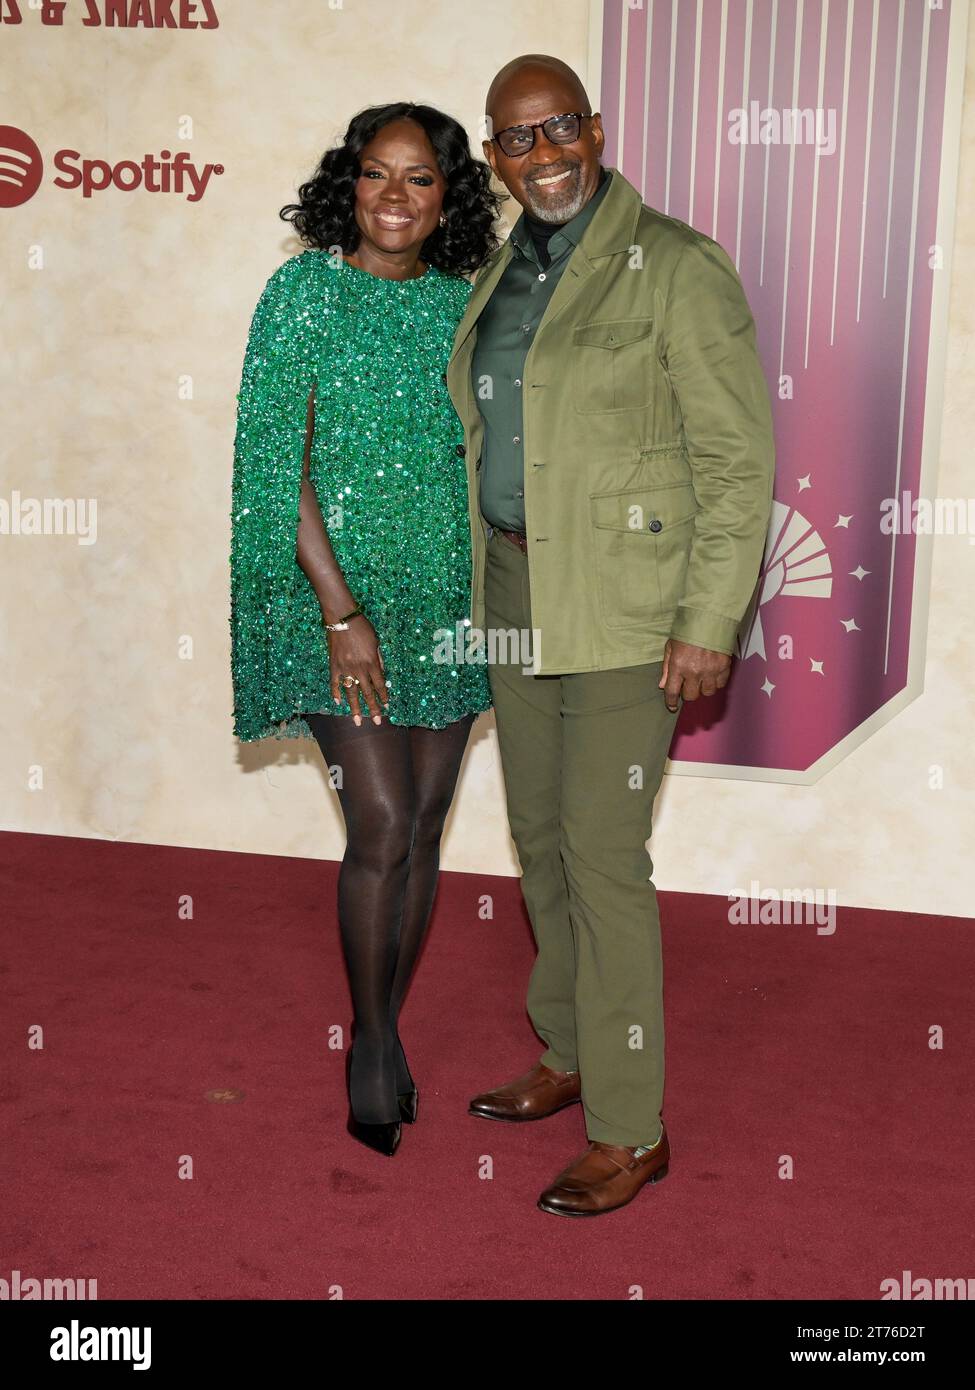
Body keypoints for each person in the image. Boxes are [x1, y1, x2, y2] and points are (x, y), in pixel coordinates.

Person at [445, 55, 776, 1215]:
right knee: (538, 834)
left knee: (602, 855)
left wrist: (707, 619)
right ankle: (568, 1043)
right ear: (495, 156)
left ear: (595, 129)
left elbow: (737, 463)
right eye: (518, 140)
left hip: (632, 612)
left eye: (561, 129)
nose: (544, 156)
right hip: (517, 593)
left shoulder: (677, 265)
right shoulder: (502, 271)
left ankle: (632, 1128)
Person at [230, 103, 500, 1157]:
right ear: (349, 183)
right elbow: (275, 465)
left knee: (427, 821)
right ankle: (372, 1040)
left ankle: (386, 1025)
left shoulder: (461, 306)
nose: (395, 197)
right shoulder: (301, 296)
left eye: (420, 179)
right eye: (376, 175)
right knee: (380, 823)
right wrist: (342, 610)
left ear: (448, 197)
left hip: (445, 602)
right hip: (327, 597)